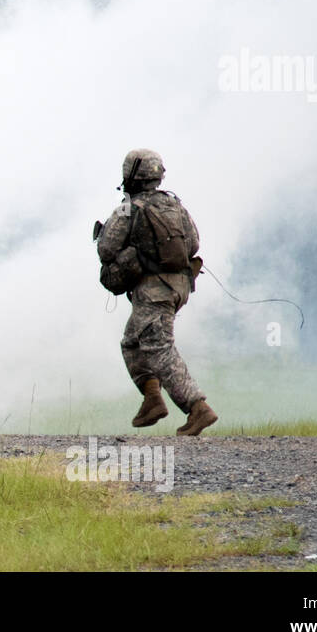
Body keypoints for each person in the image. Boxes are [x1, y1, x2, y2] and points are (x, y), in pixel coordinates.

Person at [96, 149, 217, 436]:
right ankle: (152, 399)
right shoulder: (174, 204)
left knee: (159, 348)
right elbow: (194, 243)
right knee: (133, 343)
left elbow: (106, 249)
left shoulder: (129, 208)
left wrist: (134, 255)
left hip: (154, 291)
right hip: (180, 285)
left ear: (130, 174)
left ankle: (197, 408)